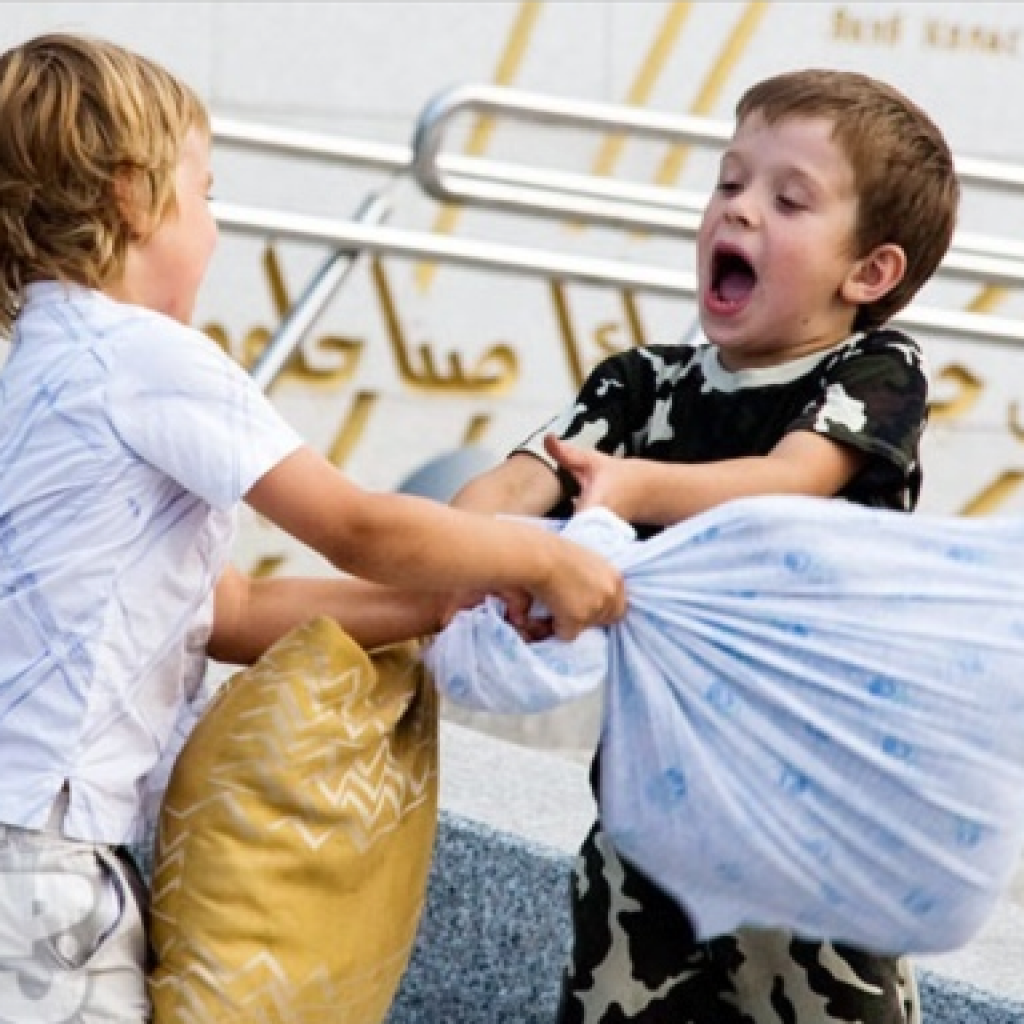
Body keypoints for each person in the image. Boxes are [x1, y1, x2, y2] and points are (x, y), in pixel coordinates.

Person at [0, 32, 625, 1024]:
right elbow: (354, 523)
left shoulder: (34, 366)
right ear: (130, 194)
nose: (213, 225)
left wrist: (454, 596)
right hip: (41, 863)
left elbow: (233, 608)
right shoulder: (145, 355)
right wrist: (540, 554)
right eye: (205, 193)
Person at [452, 68, 959, 1024]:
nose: (743, 210)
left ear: (870, 274)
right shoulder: (639, 386)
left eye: (789, 197)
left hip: (820, 840)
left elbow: (787, 484)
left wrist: (630, 486)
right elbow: (512, 489)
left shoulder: (876, 374)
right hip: (649, 831)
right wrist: (460, 550)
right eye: (730, 183)